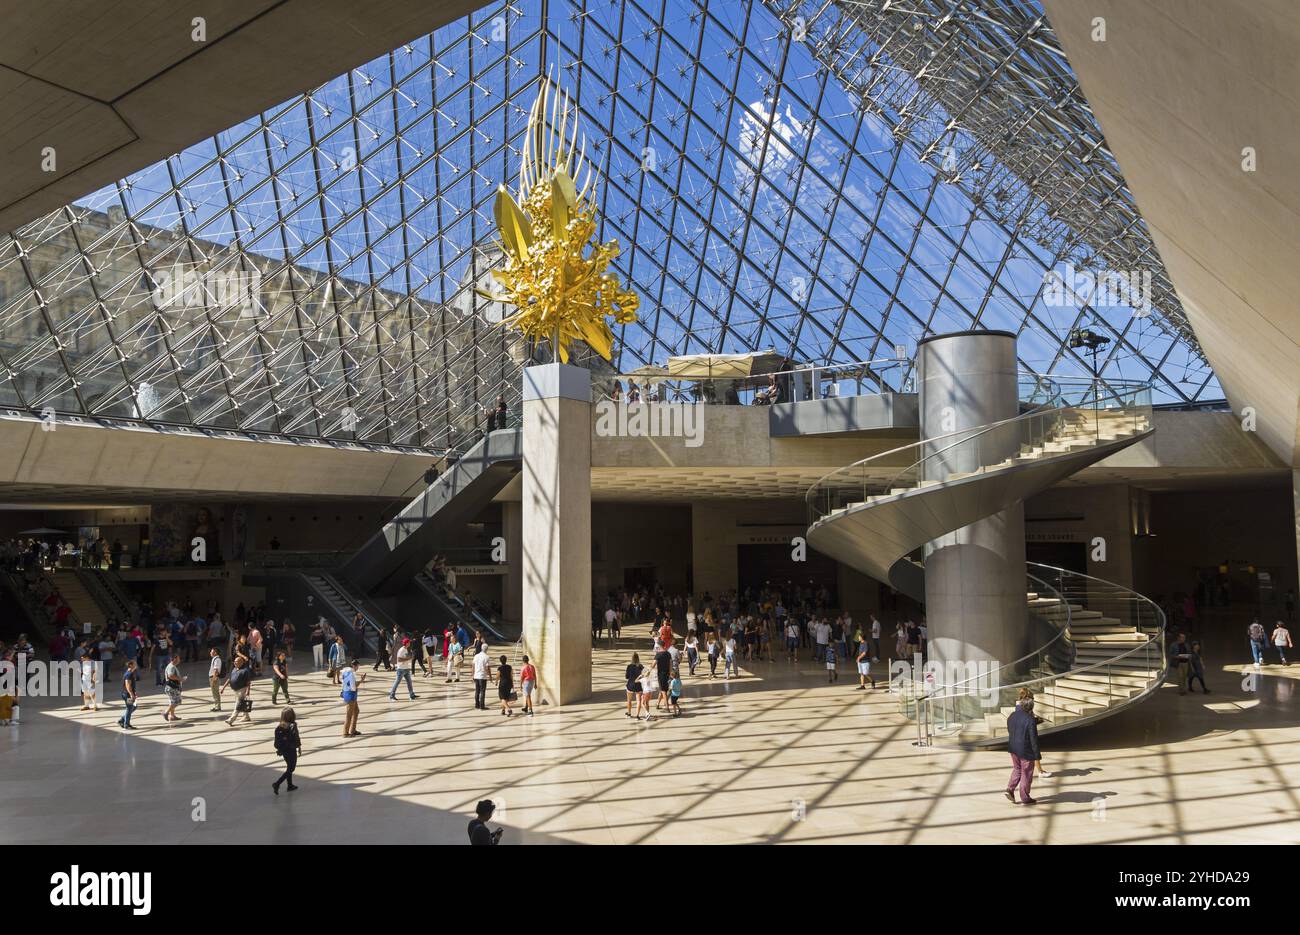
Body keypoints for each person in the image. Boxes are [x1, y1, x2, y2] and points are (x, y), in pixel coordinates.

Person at [1004, 698, 1041, 805]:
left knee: (1017, 769)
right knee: (1026, 773)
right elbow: (1033, 739)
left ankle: (1009, 790)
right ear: (1031, 707)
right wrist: (1037, 754)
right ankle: (1025, 797)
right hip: (1026, 750)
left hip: (1013, 747)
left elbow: (1010, 729)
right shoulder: (1030, 720)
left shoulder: (1012, 715)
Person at [272, 708, 301, 795]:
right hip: (291, 750)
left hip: (284, 750)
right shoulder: (292, 725)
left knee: (289, 767)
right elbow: (296, 737)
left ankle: (290, 785)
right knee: (291, 768)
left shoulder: (280, 726)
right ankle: (277, 783)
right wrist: (299, 747)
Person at [223, 654, 253, 726]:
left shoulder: (245, 671)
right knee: (241, 703)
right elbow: (229, 679)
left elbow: (248, 682)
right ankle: (246, 717)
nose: (235, 663)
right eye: (234, 662)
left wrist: (248, 691)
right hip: (235, 690)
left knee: (238, 705)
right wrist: (223, 687)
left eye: (236, 662)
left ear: (241, 662)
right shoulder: (234, 669)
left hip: (242, 689)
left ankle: (231, 720)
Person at [341, 658, 365, 737]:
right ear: (354, 666)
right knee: (349, 714)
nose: (357, 668)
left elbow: (344, 684)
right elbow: (353, 687)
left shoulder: (345, 672)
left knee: (356, 711)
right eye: (357, 666)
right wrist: (361, 681)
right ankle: (345, 732)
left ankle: (353, 730)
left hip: (347, 694)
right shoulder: (351, 674)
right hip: (351, 695)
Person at [117, 660, 140, 730]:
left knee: (133, 707)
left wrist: (134, 692)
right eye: (134, 664)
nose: (136, 665)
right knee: (129, 708)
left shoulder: (131, 673)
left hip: (128, 694)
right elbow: (128, 685)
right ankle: (126, 724)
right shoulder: (129, 674)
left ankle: (122, 720)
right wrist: (131, 694)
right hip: (127, 695)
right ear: (130, 665)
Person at [472, 644, 491, 710]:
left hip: (476, 676)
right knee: (482, 691)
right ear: (487, 649)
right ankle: (482, 706)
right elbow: (487, 668)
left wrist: (472, 675)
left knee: (477, 690)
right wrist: (490, 676)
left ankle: (477, 704)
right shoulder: (487, 657)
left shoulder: (476, 656)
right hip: (482, 676)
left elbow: (473, 666)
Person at [625, 653, 644, 718]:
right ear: (638, 658)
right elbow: (643, 675)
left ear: (632, 659)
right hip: (638, 685)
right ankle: (637, 715)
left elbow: (627, 677)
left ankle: (629, 713)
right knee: (638, 701)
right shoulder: (641, 666)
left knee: (629, 700)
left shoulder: (629, 666)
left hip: (630, 685)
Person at [654, 644, 672, 711]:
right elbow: (670, 664)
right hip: (667, 674)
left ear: (659, 646)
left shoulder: (658, 654)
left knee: (663, 691)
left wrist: (648, 670)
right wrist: (670, 674)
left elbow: (653, 664)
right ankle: (657, 704)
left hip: (661, 675)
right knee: (662, 689)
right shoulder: (668, 654)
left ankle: (667, 707)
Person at [207, 647, 223, 712]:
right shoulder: (215, 659)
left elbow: (216, 670)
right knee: (215, 693)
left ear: (215, 652)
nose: (210, 653)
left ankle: (217, 707)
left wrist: (214, 679)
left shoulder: (217, 660)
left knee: (215, 693)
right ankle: (217, 706)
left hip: (214, 677)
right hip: (212, 677)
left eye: (212, 651)